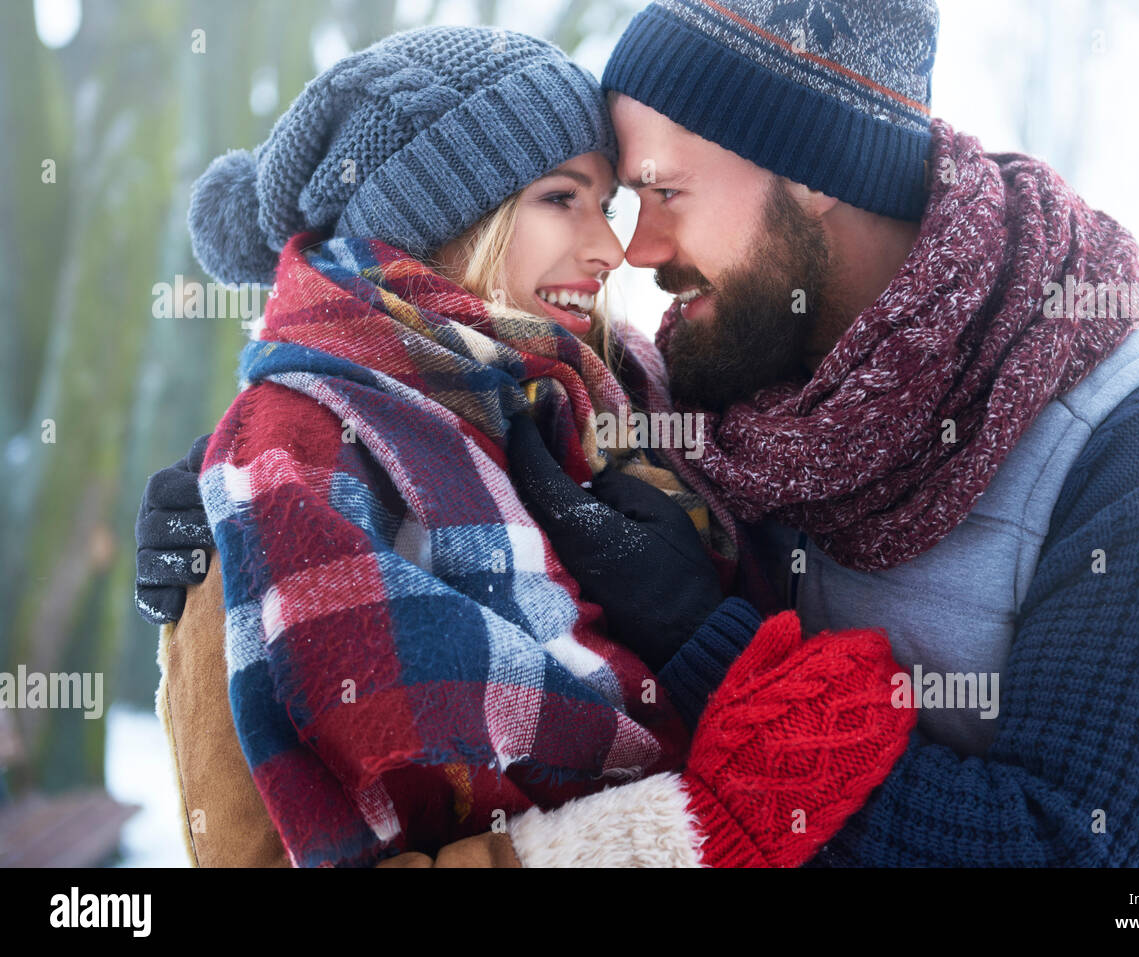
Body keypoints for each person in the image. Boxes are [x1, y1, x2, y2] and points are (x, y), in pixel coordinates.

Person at [143, 0, 1139, 868]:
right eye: (602, 200)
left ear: (818, 170)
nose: (631, 253)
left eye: (662, 192)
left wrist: (704, 635)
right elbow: (445, 399)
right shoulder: (690, 380)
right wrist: (262, 495)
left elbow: (1066, 851)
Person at [136, 24, 915, 869]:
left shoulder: (624, 390)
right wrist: (688, 829)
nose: (613, 250)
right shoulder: (292, 458)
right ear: (440, 216)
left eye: (605, 203)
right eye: (561, 197)